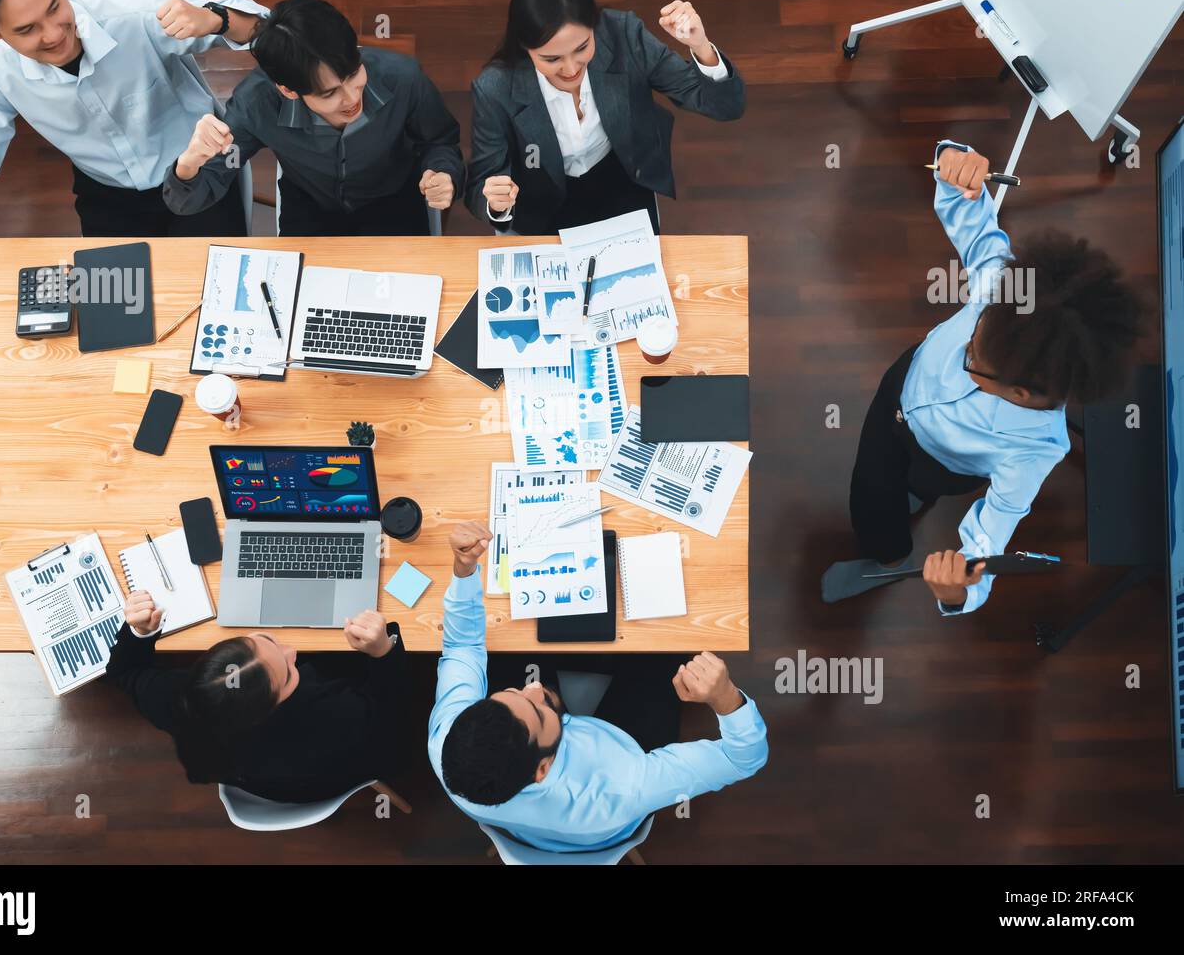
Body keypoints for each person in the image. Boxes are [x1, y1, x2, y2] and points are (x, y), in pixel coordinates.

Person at [822, 140, 1143, 615]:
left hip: (942, 462)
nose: (964, 349)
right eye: (976, 327)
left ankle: (889, 557)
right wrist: (957, 165)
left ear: (1020, 392)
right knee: (871, 484)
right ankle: (890, 520)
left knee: (904, 497)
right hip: (901, 385)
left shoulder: (1033, 453)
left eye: (972, 358)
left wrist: (958, 593)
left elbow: (986, 548)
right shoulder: (1005, 293)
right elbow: (971, 220)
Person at [428, 521, 769, 853]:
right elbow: (743, 758)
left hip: (529, 814)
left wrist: (464, 568)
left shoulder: (450, 743)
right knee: (663, 652)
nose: (532, 688)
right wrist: (724, 698)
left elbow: (461, 648)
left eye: (510, 694)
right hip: (622, 746)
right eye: (537, 710)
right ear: (543, 769)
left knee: (521, 648)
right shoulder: (624, 787)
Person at [0, 0, 267, 235]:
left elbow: (266, 28)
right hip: (107, 190)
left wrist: (216, 19)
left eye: (54, 7)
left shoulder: (131, 11)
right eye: (27, 29)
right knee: (113, 305)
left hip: (200, 170)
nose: (54, 34)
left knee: (216, 294)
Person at [465, 0, 744, 235]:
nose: (572, 69)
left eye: (582, 47)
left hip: (622, 177)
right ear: (525, 48)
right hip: (540, 203)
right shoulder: (495, 88)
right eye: (552, 59)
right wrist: (495, 203)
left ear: (594, 26)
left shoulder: (623, 34)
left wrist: (701, 46)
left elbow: (725, 106)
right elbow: (481, 183)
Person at [164, 0, 463, 235]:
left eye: (353, 73)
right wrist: (189, 163)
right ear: (288, 91)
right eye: (330, 93)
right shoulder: (256, 104)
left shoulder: (404, 77)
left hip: (394, 204)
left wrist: (443, 172)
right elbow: (189, 200)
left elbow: (440, 142)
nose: (352, 97)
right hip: (310, 213)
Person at [107, 589, 409, 803]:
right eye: (288, 673)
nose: (293, 652)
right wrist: (383, 652)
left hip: (254, 775)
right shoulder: (338, 718)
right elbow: (392, 712)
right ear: (272, 706)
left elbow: (124, 671)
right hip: (327, 776)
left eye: (266, 641)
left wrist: (141, 632)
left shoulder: (173, 699)